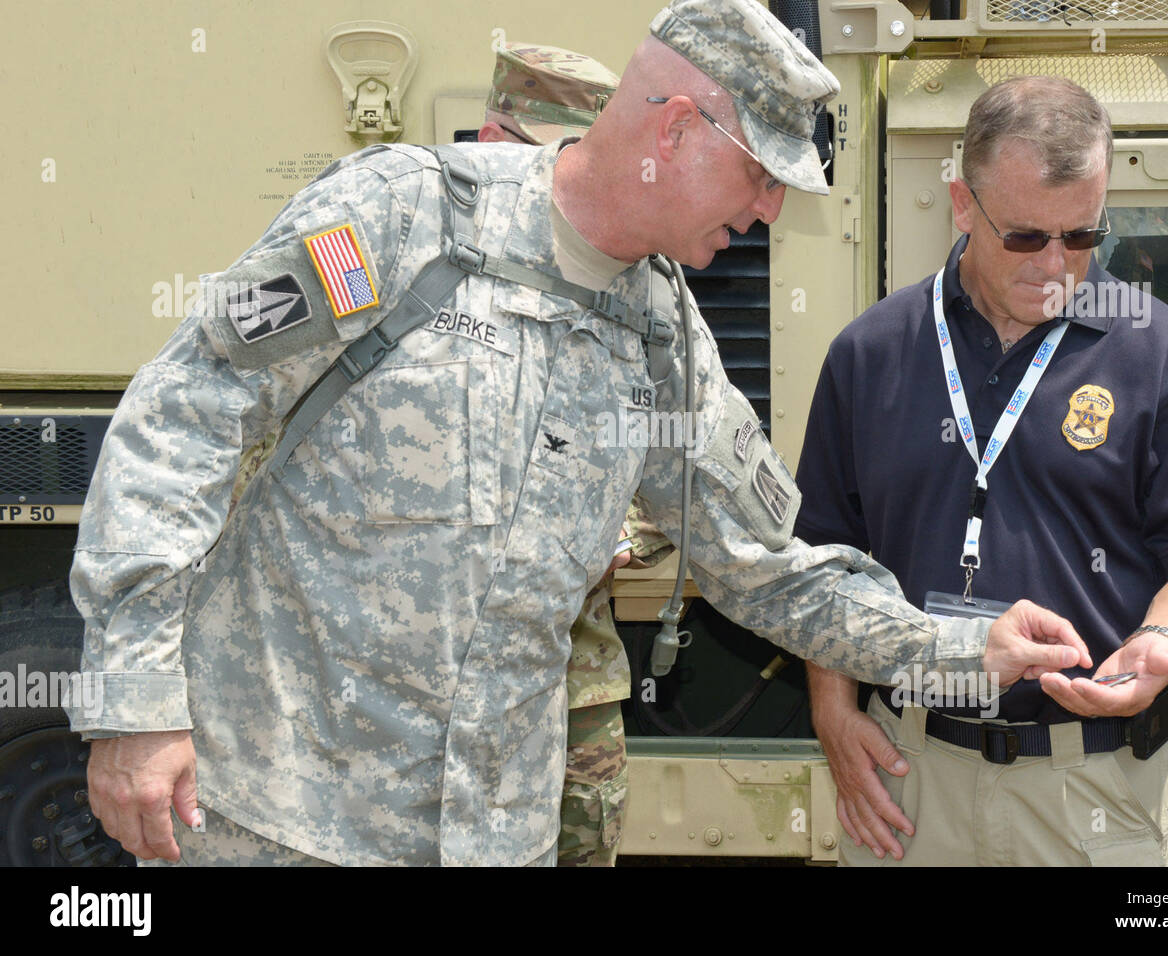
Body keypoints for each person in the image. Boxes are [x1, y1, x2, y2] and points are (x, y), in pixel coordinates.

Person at [67, 0, 1088, 867]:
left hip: (493, 837)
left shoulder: (660, 339)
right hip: (284, 820)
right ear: (677, 128)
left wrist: (962, 645)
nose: (771, 210)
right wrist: (135, 700)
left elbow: (764, 566)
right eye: (761, 174)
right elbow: (182, 417)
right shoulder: (397, 220)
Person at [796, 76, 1168, 866]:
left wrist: (1163, 638)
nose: (1056, 266)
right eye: (1026, 238)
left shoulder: (1165, 359)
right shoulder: (871, 353)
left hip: (1090, 789)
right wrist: (834, 717)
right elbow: (823, 560)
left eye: (1082, 238)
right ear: (962, 203)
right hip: (910, 780)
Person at [476, 40, 648, 867]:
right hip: (424, 687)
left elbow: (670, 473)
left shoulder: (628, 298)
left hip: (576, 681)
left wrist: (619, 530)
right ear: (486, 139)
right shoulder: (414, 267)